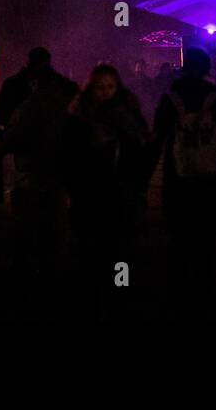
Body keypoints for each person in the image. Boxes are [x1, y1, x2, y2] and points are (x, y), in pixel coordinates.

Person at [65, 64, 152, 317]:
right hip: (88, 196)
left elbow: (141, 153)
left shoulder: (129, 115)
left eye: (110, 87)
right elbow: (67, 157)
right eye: (100, 87)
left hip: (120, 195)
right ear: (91, 88)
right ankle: (93, 298)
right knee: (90, 251)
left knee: (119, 249)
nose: (105, 92)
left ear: (118, 88)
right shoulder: (79, 117)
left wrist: (137, 185)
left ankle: (118, 296)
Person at [149, 47, 216, 314]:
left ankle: (180, 292)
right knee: (205, 239)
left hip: (179, 175)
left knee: (180, 237)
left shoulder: (170, 98)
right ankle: (205, 291)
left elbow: (157, 138)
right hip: (209, 177)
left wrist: (143, 176)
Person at [1, 56, 79, 280]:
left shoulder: (26, 108)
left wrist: (1, 145)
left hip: (31, 177)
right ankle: (55, 275)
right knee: (56, 229)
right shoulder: (67, 106)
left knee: (29, 227)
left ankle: (31, 277)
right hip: (57, 177)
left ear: (34, 83)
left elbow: (11, 139)